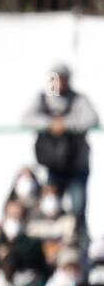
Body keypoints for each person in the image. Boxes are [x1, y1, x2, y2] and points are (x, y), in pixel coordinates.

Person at [22, 63, 97, 239]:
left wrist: (65, 124)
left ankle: (81, 242)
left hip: (76, 165)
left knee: (78, 208)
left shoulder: (78, 99)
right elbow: (26, 119)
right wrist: (49, 123)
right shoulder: (43, 98)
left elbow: (91, 119)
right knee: (51, 207)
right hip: (53, 165)